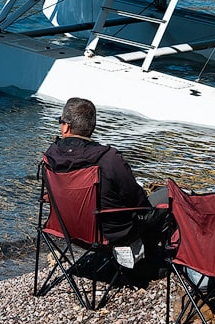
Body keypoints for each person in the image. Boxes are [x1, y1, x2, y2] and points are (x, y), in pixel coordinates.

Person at [42, 96, 150, 246]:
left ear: (66, 127)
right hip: (108, 236)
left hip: (64, 229)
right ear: (91, 127)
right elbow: (138, 201)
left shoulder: (50, 156)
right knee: (165, 205)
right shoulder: (108, 158)